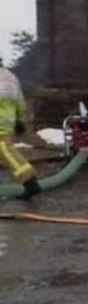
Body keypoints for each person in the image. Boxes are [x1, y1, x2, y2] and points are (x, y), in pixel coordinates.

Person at [0, 57, 41, 199]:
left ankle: (29, 180)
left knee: (5, 149)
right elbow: (20, 102)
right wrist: (19, 120)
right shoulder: (10, 77)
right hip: (8, 120)